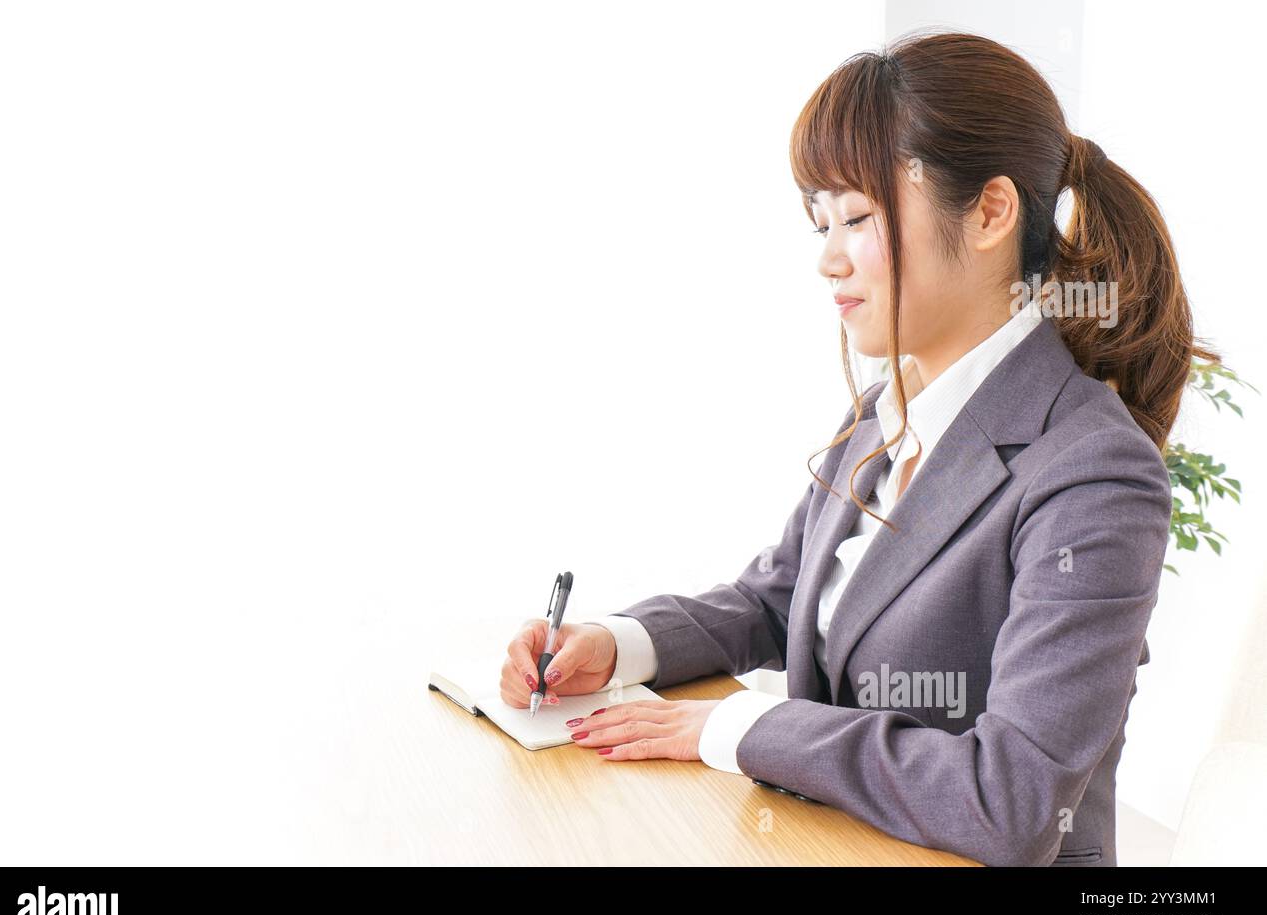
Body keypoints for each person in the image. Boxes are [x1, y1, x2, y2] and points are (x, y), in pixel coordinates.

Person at [498, 31, 1216, 867]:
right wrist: (619, 644)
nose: (828, 258)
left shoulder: (1095, 470)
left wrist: (743, 725)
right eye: (821, 222)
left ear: (989, 213)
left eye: (859, 218)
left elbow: (1012, 797)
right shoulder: (886, 411)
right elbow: (776, 599)